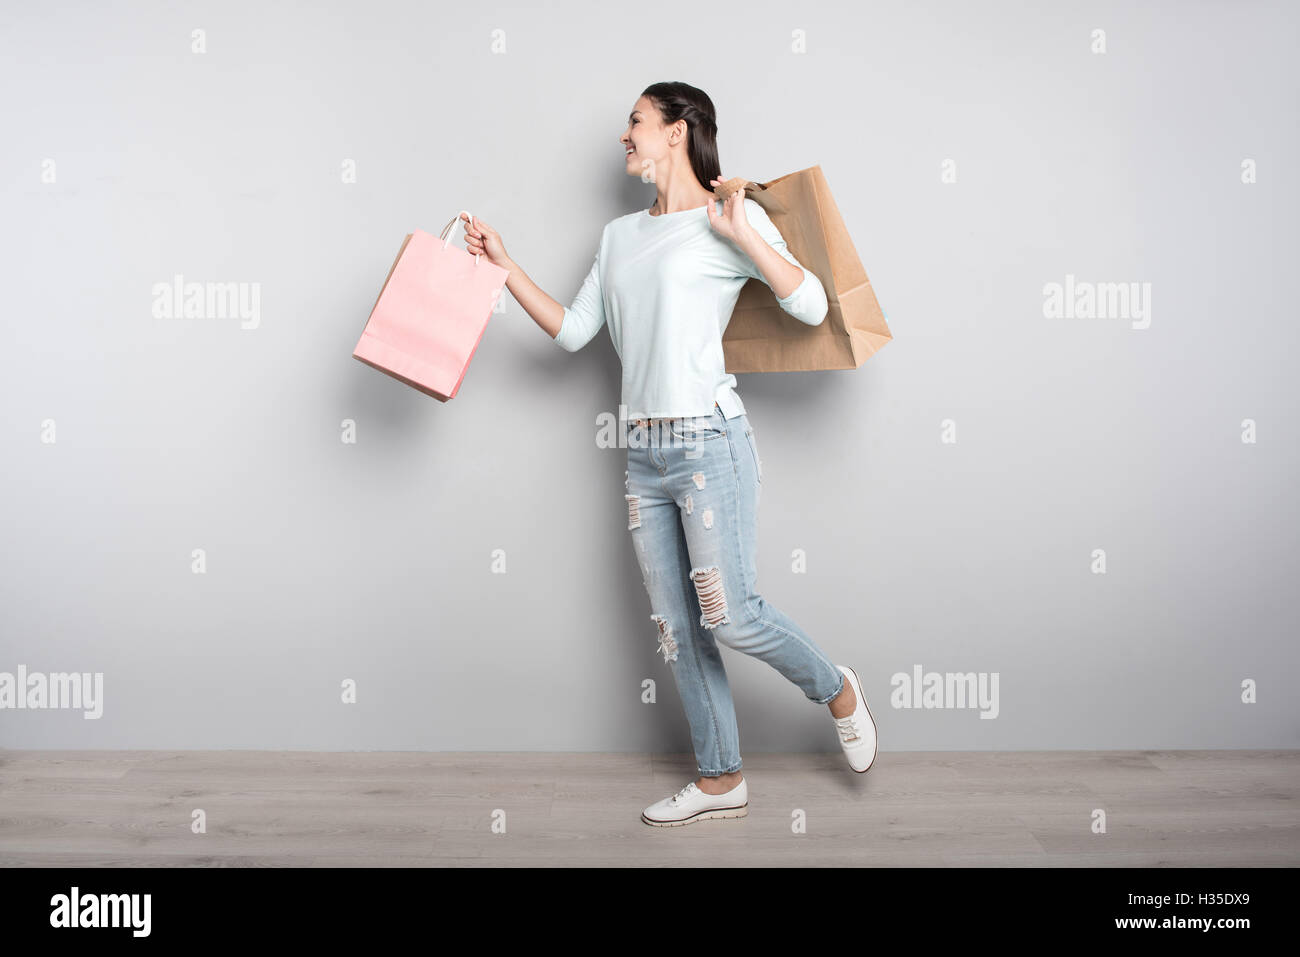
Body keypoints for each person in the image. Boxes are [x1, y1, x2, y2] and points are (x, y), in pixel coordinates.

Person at [457, 81, 877, 827]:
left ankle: (835, 688)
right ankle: (722, 780)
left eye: (637, 122)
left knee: (733, 617)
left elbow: (811, 304)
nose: (626, 135)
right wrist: (503, 263)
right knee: (677, 632)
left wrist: (744, 234)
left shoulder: (725, 221)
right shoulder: (619, 236)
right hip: (642, 454)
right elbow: (573, 331)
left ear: (678, 132)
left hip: (710, 443)